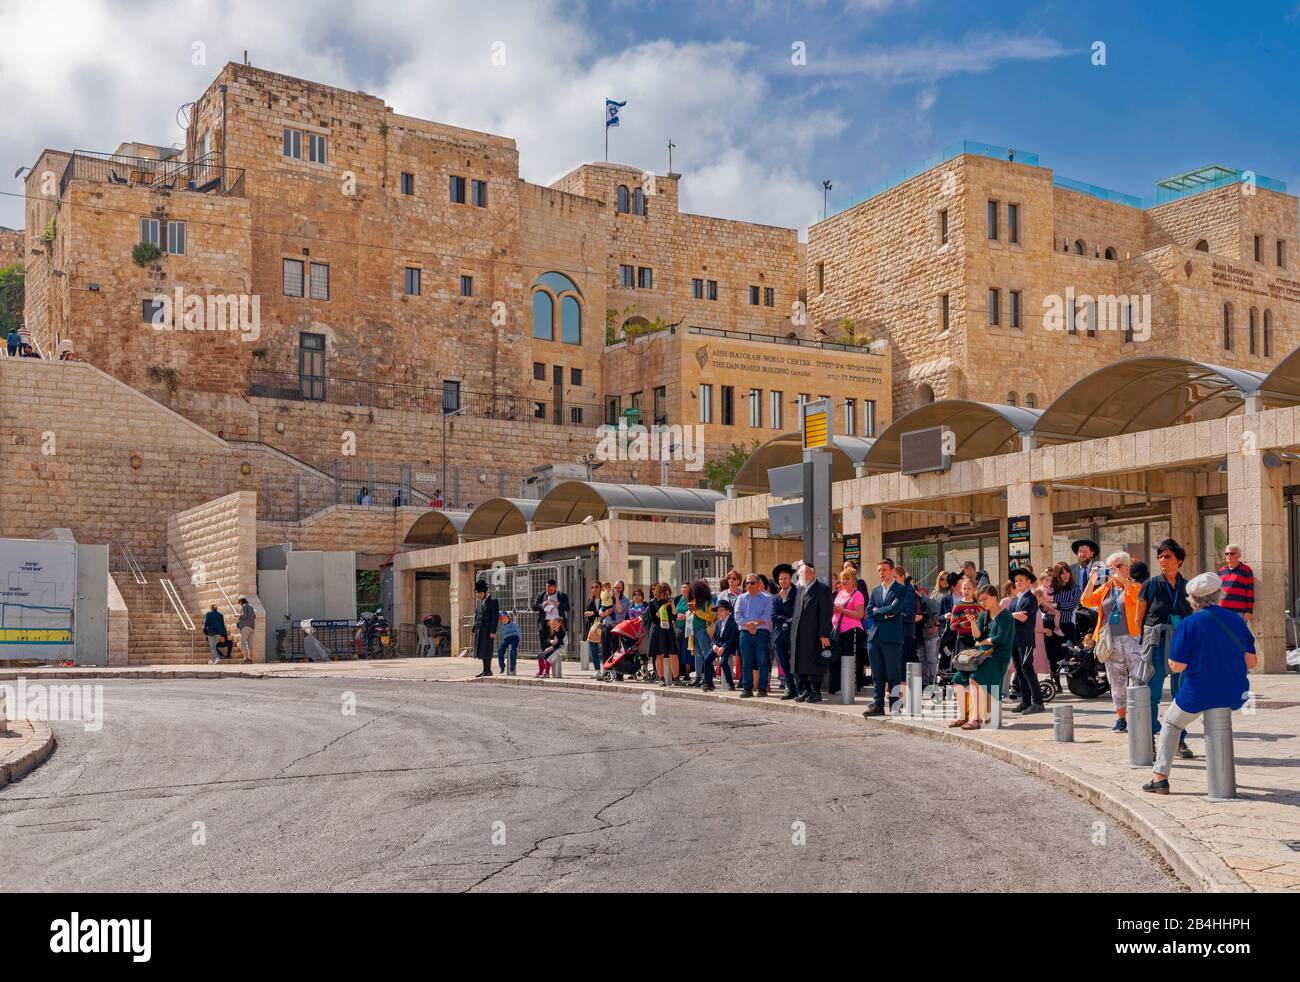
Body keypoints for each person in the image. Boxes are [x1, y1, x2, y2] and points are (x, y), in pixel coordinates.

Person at [1143, 572, 1257, 794]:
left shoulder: (1189, 623)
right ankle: (1221, 777)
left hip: (1199, 692)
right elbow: (1251, 662)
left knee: (1171, 723)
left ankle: (1160, 778)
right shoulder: (1237, 620)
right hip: (1235, 692)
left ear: (1193, 600)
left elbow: (1176, 665)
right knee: (1214, 720)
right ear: (1219, 594)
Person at [1137, 538, 1194, 758]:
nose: (1162, 560)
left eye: (1167, 556)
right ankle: (1150, 739)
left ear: (1179, 560)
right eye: (1159, 556)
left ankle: (1179, 740)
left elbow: (1193, 616)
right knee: (1153, 692)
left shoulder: (1188, 586)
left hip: (1181, 642)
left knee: (1181, 693)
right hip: (1157, 642)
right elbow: (1138, 619)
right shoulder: (1150, 585)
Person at [1081, 551, 1143, 732]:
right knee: (1116, 680)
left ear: (1127, 567)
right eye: (1110, 567)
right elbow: (1085, 601)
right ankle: (1121, 718)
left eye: (1116, 566)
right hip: (1111, 640)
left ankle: (1140, 715)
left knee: (1138, 677)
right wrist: (1091, 581)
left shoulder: (1135, 587)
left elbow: (1136, 599)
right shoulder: (1106, 588)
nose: (1112, 571)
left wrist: (1123, 582)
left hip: (1132, 638)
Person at [949, 583, 1016, 730]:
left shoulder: (1005, 615)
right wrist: (973, 624)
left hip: (997, 658)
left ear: (995, 597)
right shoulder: (983, 616)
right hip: (982, 657)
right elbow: (977, 637)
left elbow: (1000, 639)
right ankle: (962, 716)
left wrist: (984, 642)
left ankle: (977, 718)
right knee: (958, 679)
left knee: (975, 678)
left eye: (985, 599)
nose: (982, 602)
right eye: (980, 600)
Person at [862, 558, 904, 716]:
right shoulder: (876, 590)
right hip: (874, 637)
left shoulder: (900, 589)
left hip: (892, 638)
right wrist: (883, 614)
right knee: (877, 674)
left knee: (893, 674)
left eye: (885, 570)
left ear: (893, 571)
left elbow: (895, 608)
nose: (881, 573)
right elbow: (868, 612)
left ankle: (895, 705)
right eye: (879, 570)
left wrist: (878, 611)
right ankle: (878, 704)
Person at [790, 562, 832, 703]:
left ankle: (816, 692)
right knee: (800, 663)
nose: (804, 575)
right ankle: (806, 690)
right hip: (799, 634)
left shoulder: (822, 589)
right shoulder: (800, 589)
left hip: (815, 634)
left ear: (813, 573)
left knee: (814, 663)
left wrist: (824, 634)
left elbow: (826, 614)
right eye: (802, 573)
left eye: (807, 572)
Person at [1008, 566, 1044, 713]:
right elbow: (1010, 616)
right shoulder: (1015, 600)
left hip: (1025, 639)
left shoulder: (1030, 599)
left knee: (1027, 669)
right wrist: (1013, 615)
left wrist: (1012, 616)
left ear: (1029, 582)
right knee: (1019, 670)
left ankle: (1038, 702)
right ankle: (1026, 701)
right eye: (1016, 581)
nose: (1018, 583)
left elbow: (1023, 618)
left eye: (1021, 580)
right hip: (1014, 639)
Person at [736, 571, 774, 697]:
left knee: (762, 661)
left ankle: (762, 688)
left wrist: (754, 623)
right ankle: (747, 688)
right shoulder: (741, 598)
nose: (749, 585)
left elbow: (767, 615)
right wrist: (748, 625)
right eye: (747, 583)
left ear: (758, 584)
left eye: (752, 582)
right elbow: (737, 616)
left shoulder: (767, 598)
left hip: (761, 632)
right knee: (746, 661)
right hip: (745, 632)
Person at [830, 567, 866, 697]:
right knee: (837, 659)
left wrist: (842, 611)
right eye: (843, 579)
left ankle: (852, 686)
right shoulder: (840, 593)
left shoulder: (857, 594)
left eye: (847, 579)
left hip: (852, 631)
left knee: (850, 659)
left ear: (853, 581)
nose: (844, 581)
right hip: (838, 631)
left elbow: (859, 614)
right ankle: (838, 686)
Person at [771, 565, 798, 699]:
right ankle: (790, 689)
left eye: (785, 578)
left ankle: (799, 688)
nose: (783, 581)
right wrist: (787, 619)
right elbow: (774, 616)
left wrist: (786, 600)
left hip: (793, 634)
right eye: (780, 579)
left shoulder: (797, 593)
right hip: (779, 635)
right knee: (784, 663)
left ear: (790, 579)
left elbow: (795, 613)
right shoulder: (776, 597)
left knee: (795, 662)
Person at [647, 582, 681, 687]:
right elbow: (654, 618)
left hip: (668, 629)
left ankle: (677, 678)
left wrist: (672, 604)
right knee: (659, 654)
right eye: (665, 593)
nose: (667, 595)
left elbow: (674, 615)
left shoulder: (670, 601)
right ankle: (661, 678)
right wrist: (664, 607)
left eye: (668, 593)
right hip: (658, 630)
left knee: (673, 654)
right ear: (659, 592)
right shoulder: (653, 602)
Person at [686, 580, 717, 688]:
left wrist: (697, 611)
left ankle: (706, 678)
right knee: (697, 655)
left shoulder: (708, 603)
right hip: (693, 631)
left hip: (703, 630)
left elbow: (712, 616)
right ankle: (698, 677)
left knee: (705, 654)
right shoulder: (694, 601)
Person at [1217, 544, 1254, 627]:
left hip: (1239, 612)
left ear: (1239, 555)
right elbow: (1218, 591)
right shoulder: (1221, 571)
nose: (1229, 555)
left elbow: (1250, 592)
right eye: (1227, 554)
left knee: (1238, 637)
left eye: (1232, 553)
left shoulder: (1246, 570)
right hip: (1222, 611)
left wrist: (1249, 611)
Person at [708, 598, 739, 692]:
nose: (719, 613)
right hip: (718, 645)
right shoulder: (718, 623)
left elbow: (733, 638)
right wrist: (714, 645)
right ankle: (708, 683)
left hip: (729, 646)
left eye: (721, 611)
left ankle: (731, 683)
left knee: (723, 661)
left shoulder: (733, 622)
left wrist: (724, 647)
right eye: (718, 611)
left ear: (727, 611)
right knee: (706, 660)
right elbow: (714, 637)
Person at [471, 579, 499, 678]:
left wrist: (493, 631)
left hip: (488, 630)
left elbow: (495, 617)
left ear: (483, 592)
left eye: (478, 593)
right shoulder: (479, 602)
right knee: (481, 649)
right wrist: (474, 628)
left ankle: (488, 670)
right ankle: (484, 670)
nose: (477, 595)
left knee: (487, 649)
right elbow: (477, 615)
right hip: (480, 629)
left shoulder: (493, 601)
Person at [533, 578, 569, 650]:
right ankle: (545, 660)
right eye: (547, 588)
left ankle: (555, 661)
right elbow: (534, 607)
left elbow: (567, 607)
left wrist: (558, 604)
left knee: (557, 645)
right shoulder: (541, 595)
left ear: (555, 587)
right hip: (545, 623)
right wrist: (542, 605)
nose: (549, 590)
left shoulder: (562, 595)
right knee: (544, 644)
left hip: (557, 623)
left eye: (551, 588)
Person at [583, 581, 603, 671]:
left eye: (596, 587)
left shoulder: (605, 599)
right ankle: (597, 670)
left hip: (603, 626)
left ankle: (607, 670)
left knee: (604, 650)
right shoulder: (590, 600)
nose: (594, 589)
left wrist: (593, 613)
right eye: (592, 587)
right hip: (592, 627)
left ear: (600, 588)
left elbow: (605, 612)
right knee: (594, 649)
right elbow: (589, 613)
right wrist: (588, 613)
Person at [497, 609, 520, 675]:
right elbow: (504, 634)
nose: (504, 620)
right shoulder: (503, 626)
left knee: (513, 650)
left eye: (505, 618)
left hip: (514, 638)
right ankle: (502, 666)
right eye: (502, 619)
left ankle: (513, 664)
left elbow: (518, 631)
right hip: (507, 639)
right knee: (500, 651)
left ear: (508, 618)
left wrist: (519, 639)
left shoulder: (513, 624)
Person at [236, 596, 256, 663]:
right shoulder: (251, 606)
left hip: (245, 627)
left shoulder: (244, 606)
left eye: (239, 602)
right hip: (252, 627)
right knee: (250, 644)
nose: (239, 604)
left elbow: (244, 616)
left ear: (241, 601)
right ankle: (251, 659)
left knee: (242, 643)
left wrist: (238, 616)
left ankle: (247, 659)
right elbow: (254, 616)